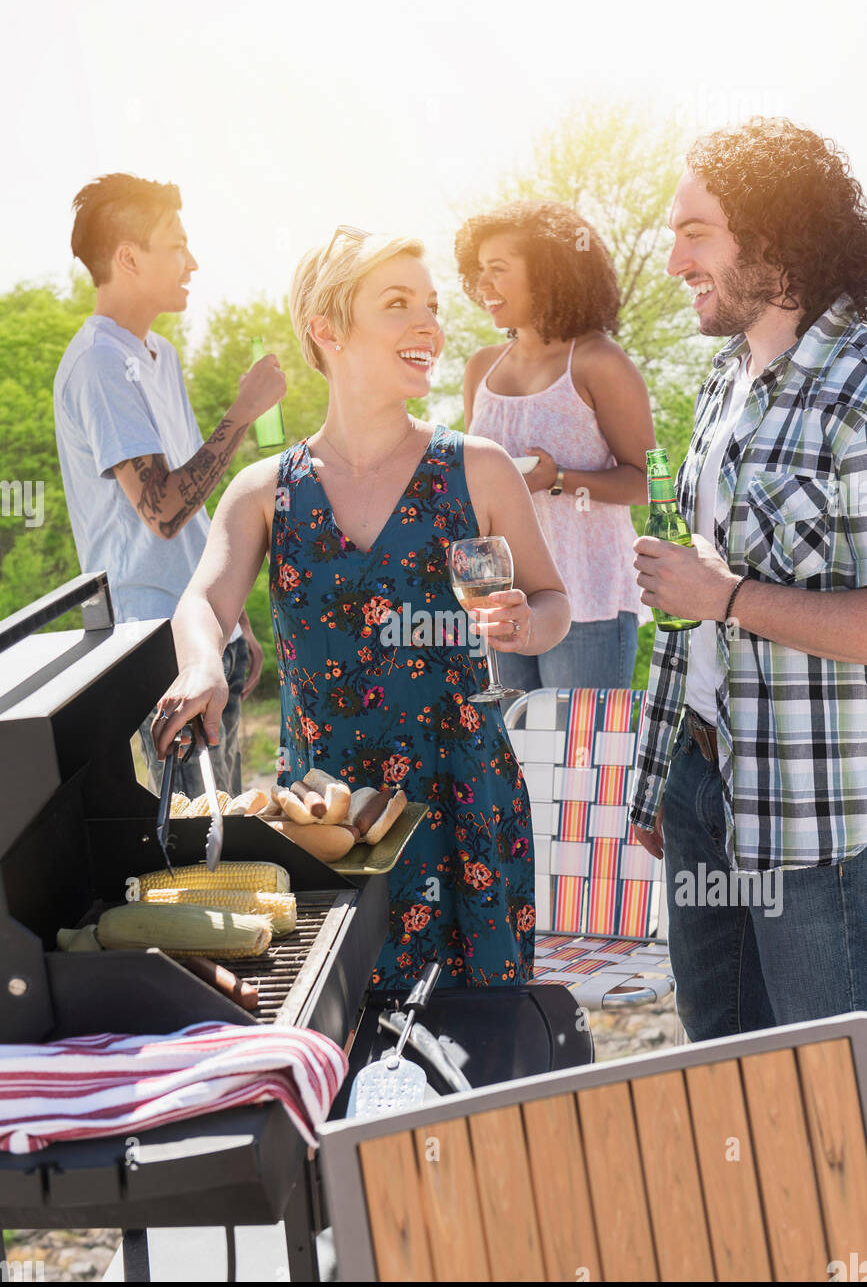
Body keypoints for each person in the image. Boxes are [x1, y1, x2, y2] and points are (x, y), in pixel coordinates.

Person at [151, 228, 571, 990]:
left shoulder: (477, 467)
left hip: (462, 797)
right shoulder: (261, 490)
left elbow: (551, 601)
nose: (430, 325)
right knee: (338, 1035)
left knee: (475, 1049)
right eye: (398, 304)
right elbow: (202, 601)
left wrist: (525, 622)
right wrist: (204, 665)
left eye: (433, 307)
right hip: (326, 819)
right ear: (327, 329)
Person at [629, 118, 867, 1040]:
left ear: (769, 239)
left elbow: (708, 593)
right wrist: (663, 774)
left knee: (831, 1097)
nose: (673, 259)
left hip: (819, 826)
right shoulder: (724, 380)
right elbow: (682, 594)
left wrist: (724, 599)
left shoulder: (858, 387)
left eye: (697, 233)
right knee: (724, 1074)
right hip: (701, 781)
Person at [53, 173, 284, 796]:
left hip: (206, 628)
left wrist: (231, 616)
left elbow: (193, 507)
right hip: (160, 644)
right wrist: (244, 411)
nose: (193, 262)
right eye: (177, 245)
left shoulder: (159, 353)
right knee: (198, 844)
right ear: (128, 257)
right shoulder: (100, 364)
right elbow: (162, 510)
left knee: (227, 827)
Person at [455, 200, 652, 693]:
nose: (484, 285)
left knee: (577, 760)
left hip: (588, 596)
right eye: (479, 271)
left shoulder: (598, 361)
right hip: (501, 600)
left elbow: (647, 482)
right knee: (511, 757)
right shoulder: (482, 367)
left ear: (547, 273)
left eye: (498, 270)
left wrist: (559, 479)